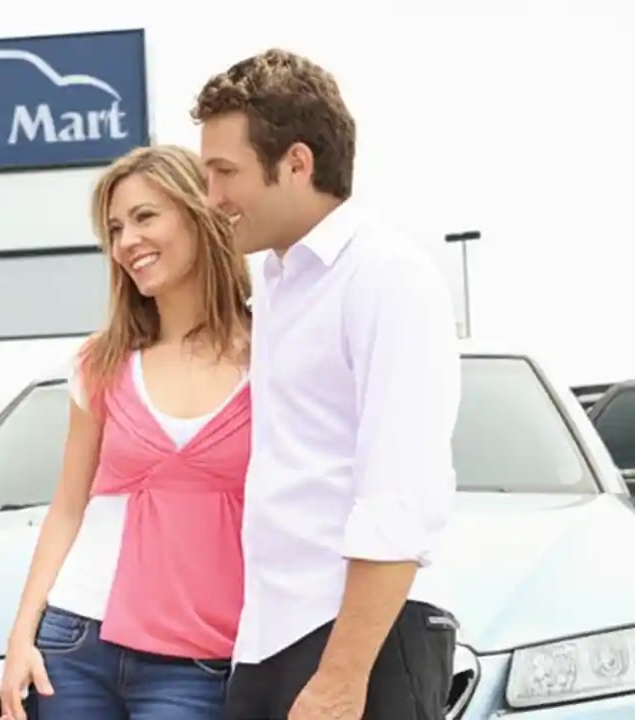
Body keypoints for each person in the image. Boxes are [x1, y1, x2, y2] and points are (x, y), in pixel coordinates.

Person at [192, 48, 462, 720]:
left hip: (356, 642)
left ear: (297, 163)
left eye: (225, 172)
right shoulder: (277, 283)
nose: (212, 197)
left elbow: (402, 495)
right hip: (271, 637)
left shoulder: (386, 276)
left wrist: (342, 677)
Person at [0, 144, 254, 720]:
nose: (127, 242)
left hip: (198, 661)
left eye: (144, 217)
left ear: (199, 213)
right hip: (74, 641)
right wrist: (21, 636)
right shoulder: (102, 362)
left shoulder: (271, 357)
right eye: (115, 229)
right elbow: (68, 508)